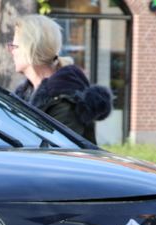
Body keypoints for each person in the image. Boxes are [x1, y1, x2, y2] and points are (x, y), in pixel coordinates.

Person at [8, 15, 111, 144]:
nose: (11, 51)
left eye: (14, 46)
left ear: (29, 49)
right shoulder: (26, 94)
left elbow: (57, 157)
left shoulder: (63, 101)